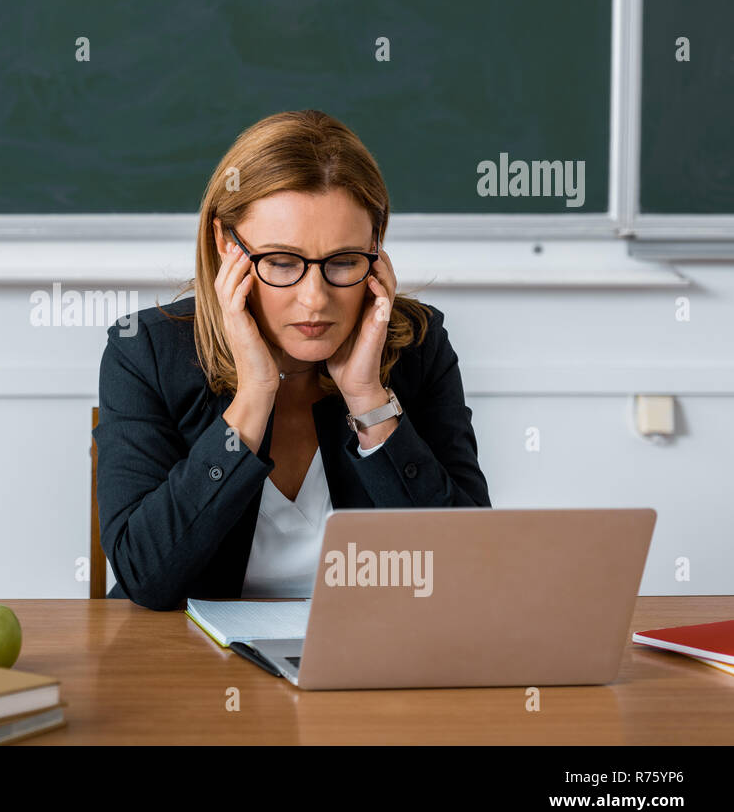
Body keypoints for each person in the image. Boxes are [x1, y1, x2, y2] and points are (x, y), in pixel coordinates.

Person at [93, 110, 490, 611]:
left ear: (376, 245)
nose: (315, 299)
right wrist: (255, 398)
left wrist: (369, 401)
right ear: (225, 245)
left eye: (344, 261)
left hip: (367, 661)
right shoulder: (145, 353)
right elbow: (146, 580)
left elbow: (462, 570)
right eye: (282, 262)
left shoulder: (418, 347)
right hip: (193, 667)